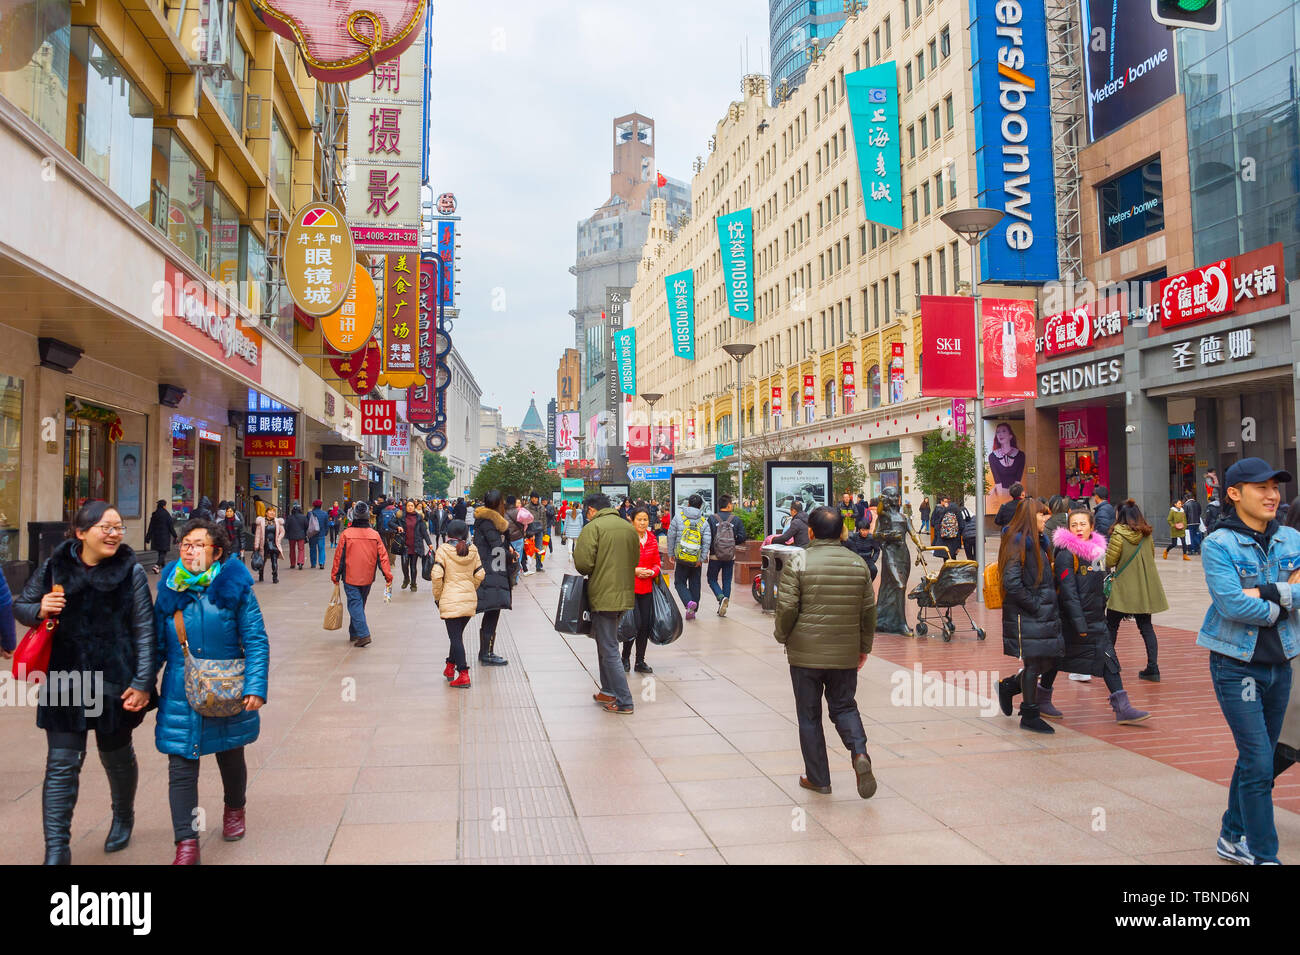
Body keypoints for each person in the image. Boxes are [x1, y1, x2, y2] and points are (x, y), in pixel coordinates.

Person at [14, 502, 155, 865]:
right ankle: (57, 849)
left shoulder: (130, 571)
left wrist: (142, 682)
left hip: (114, 681)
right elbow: (23, 606)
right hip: (66, 679)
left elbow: (144, 629)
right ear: (80, 532)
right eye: (105, 527)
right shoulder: (55, 566)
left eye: (118, 527)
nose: (113, 534)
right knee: (61, 764)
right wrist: (41, 608)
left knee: (116, 756)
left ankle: (123, 816)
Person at [1198, 458, 1300, 865]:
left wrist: (1264, 593)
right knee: (1259, 763)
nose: (1272, 494)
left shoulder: (1292, 538)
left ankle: (1229, 834)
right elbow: (1231, 604)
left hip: (1282, 663)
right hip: (1235, 664)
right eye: (1261, 487)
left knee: (1255, 756)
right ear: (1235, 493)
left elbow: (1248, 599)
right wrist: (1285, 598)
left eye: (1275, 486)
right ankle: (1264, 855)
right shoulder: (1217, 544)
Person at [153, 518, 268, 865]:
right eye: (185, 543)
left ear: (216, 552)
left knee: (231, 756)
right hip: (179, 690)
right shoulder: (170, 587)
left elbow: (256, 639)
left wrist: (256, 686)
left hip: (228, 687)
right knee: (181, 765)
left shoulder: (236, 588)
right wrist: (140, 684)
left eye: (198, 544)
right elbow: (156, 643)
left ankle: (235, 809)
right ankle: (186, 843)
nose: (189, 550)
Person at [775, 506, 878, 798]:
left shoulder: (799, 562)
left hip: (804, 654)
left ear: (810, 532)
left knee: (809, 716)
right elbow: (868, 612)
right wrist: (863, 648)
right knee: (844, 706)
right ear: (842, 532)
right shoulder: (858, 564)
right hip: (844, 651)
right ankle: (859, 753)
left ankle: (818, 779)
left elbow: (787, 608)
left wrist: (782, 635)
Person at [1051, 510, 1151, 724]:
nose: (1079, 528)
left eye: (1083, 524)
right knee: (1051, 660)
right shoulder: (1066, 554)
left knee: (1107, 659)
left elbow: (1101, 584)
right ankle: (1023, 691)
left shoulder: (1096, 553)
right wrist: (1079, 622)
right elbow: (1068, 593)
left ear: (1091, 526)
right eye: (1074, 525)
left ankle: (1123, 709)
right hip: (1074, 621)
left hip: (1095, 618)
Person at [993, 500, 1063, 734]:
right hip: (1027, 613)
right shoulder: (1018, 542)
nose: (1046, 520)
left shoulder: (1039, 543)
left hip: (1041, 611)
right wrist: (1034, 605)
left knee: (1048, 660)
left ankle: (1010, 686)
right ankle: (1029, 713)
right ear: (1031, 517)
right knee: (1034, 663)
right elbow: (1011, 582)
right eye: (1042, 516)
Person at [573, 493, 640, 715]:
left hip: (603, 595)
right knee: (605, 641)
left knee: (609, 646)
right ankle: (608, 690)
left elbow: (583, 564)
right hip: (624, 594)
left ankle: (624, 700)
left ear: (591, 510)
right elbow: (635, 559)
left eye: (586, 511)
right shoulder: (628, 527)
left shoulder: (593, 528)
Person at [1104, 499, 1168, 682]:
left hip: (1123, 587)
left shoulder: (1118, 534)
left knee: (1111, 625)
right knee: (1146, 627)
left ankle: (1109, 664)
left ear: (1120, 515)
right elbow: (1152, 556)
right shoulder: (1147, 533)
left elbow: (1110, 561)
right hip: (1144, 587)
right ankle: (1153, 668)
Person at [331, 502, 393, 648]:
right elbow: (383, 557)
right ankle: (354, 632)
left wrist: (335, 575)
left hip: (350, 575)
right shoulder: (375, 535)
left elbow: (339, 556)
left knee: (354, 604)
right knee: (360, 603)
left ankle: (363, 634)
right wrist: (387, 575)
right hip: (368, 576)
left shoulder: (346, 534)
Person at [432, 519, 485, 689]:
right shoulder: (473, 550)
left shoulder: (443, 550)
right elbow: (480, 574)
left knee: (455, 638)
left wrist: (438, 597)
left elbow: (436, 575)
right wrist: (471, 588)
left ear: (448, 533)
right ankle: (449, 667)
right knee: (457, 636)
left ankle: (463, 674)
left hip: (450, 599)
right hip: (468, 600)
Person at [473, 491, 514, 666]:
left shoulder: (485, 521)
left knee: (492, 610)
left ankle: (486, 652)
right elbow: (497, 549)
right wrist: (510, 554)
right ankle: (486, 653)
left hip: (490, 569)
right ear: (499, 504)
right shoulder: (490, 523)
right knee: (492, 610)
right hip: (492, 571)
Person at [624, 506, 661, 674]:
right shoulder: (626, 538)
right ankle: (625, 658)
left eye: (645, 519)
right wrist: (634, 570)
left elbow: (657, 562)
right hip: (630, 587)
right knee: (633, 624)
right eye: (639, 519)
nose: (643, 522)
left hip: (646, 588)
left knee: (644, 625)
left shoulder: (652, 538)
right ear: (631, 520)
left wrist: (652, 571)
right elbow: (620, 561)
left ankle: (640, 661)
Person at [872, 489, 913, 636]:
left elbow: (913, 533)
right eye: (893, 496)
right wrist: (888, 535)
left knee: (892, 588)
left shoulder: (904, 516)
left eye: (897, 496)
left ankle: (884, 621)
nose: (896, 498)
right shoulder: (883, 517)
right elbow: (875, 535)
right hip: (889, 553)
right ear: (887, 499)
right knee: (899, 586)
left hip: (904, 554)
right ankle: (901, 624)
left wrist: (922, 546)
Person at [668, 493, 711, 620]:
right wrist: (702, 558)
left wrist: (671, 553)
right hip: (695, 559)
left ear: (688, 504)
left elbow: (671, 535)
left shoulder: (678, 517)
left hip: (681, 557)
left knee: (679, 582)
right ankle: (693, 608)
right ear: (700, 506)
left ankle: (688, 603)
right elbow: (707, 541)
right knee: (695, 583)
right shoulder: (704, 521)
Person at [707, 494, 746, 616]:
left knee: (712, 579)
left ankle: (720, 597)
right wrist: (732, 544)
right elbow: (742, 536)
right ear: (729, 505)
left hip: (715, 555)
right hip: (730, 556)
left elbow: (707, 537)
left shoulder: (712, 519)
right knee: (727, 580)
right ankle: (724, 603)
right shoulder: (736, 519)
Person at [396, 499, 433, 592]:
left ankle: (413, 583)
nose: (410, 507)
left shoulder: (419, 518)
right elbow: (390, 523)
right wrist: (398, 527)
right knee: (404, 565)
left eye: (412, 506)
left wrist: (429, 543)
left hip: (416, 545)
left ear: (414, 507)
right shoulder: (401, 517)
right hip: (405, 545)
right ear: (406, 507)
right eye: (408, 505)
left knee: (413, 566)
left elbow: (424, 532)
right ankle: (406, 579)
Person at [988, 423, 1025, 496]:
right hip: (999, 492)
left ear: (1010, 436)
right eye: (998, 432)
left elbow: (1018, 480)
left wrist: (1016, 497)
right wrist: (1001, 499)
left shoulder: (1020, 455)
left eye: (1004, 431)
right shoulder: (992, 456)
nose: (1000, 434)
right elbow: (997, 481)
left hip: (1015, 493)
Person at [253, 505, 285, 584]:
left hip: (274, 544)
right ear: (266, 513)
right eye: (270, 511)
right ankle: (261, 574)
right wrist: (256, 545)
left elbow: (282, 532)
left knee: (274, 560)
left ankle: (275, 576)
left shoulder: (277, 521)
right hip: (264, 544)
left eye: (273, 512)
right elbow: (257, 534)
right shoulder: (261, 522)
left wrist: (278, 539)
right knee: (262, 560)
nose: (272, 513)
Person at [145, 498, 177, 574]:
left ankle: (164, 568)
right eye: (165, 505)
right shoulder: (166, 514)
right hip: (164, 537)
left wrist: (148, 537)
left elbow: (151, 527)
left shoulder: (154, 514)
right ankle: (156, 566)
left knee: (161, 552)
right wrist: (175, 535)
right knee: (163, 553)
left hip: (156, 537)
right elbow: (171, 526)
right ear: (163, 506)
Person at [504, 495, 528, 580]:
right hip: (519, 537)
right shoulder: (519, 512)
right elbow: (526, 522)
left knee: (509, 557)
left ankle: (509, 576)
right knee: (518, 556)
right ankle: (516, 578)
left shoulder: (503, 512)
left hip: (509, 539)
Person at [933, 494, 961, 561]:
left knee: (946, 557)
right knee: (953, 557)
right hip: (954, 538)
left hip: (944, 538)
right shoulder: (956, 511)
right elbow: (961, 525)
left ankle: (947, 570)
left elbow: (935, 524)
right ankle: (953, 570)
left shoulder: (943, 511)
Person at [284, 503, 309, 570]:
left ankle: (292, 564)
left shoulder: (289, 517)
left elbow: (286, 527)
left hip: (291, 536)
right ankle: (300, 562)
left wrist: (288, 532)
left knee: (292, 549)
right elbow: (306, 526)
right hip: (301, 535)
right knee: (301, 549)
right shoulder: (303, 517)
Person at [528, 493, 547, 573]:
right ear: (531, 498)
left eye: (536, 498)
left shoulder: (542, 507)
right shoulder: (527, 507)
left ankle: (538, 566)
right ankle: (526, 567)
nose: (534, 499)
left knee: (539, 548)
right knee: (528, 549)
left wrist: (545, 531)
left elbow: (544, 520)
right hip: (530, 531)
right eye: (533, 498)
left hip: (539, 531)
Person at [308, 500, 329, 569]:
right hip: (321, 534)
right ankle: (321, 563)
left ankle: (313, 564)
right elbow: (326, 525)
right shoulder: (325, 514)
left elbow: (307, 524)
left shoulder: (310, 513)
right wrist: (325, 532)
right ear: (321, 506)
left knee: (312, 549)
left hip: (312, 534)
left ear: (314, 505)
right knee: (322, 549)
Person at [1184, 491, 1203, 555]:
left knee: (1191, 536)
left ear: (1187, 498)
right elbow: (1200, 512)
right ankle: (1197, 548)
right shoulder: (1197, 503)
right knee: (1196, 535)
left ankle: (1192, 549)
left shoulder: (1186, 504)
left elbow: (1185, 514)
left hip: (1189, 522)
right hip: (1197, 522)